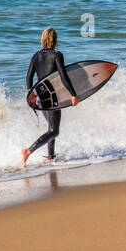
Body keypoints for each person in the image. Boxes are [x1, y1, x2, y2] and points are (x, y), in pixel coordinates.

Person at [22, 27, 79, 167]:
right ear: (55, 40)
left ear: (43, 39)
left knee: (51, 128)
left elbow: (28, 77)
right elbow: (63, 76)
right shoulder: (57, 55)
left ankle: (50, 157)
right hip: (53, 96)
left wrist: (31, 95)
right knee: (54, 131)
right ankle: (28, 151)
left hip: (41, 96)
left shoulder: (36, 56)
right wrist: (73, 94)